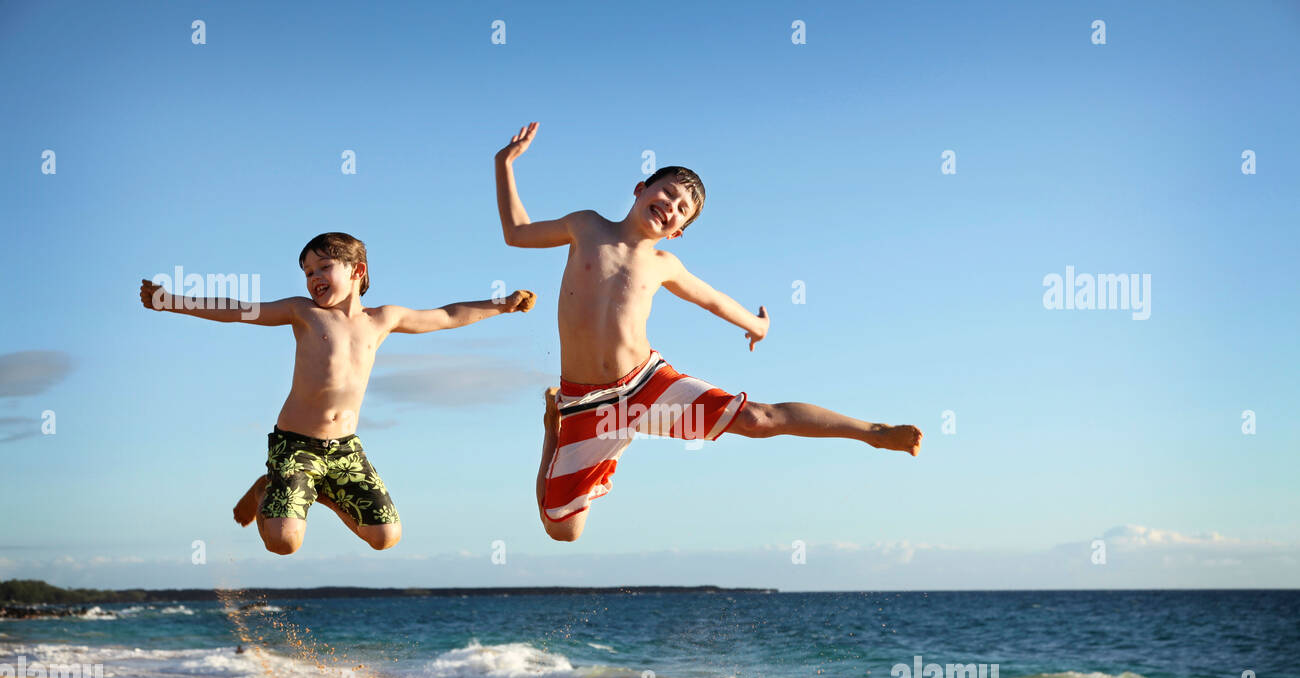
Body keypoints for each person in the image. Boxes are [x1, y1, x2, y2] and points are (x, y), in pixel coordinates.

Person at [493, 122, 920, 542]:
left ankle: (872, 433)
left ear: (677, 232)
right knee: (563, 530)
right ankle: (553, 426)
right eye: (668, 193)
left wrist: (757, 325)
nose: (671, 206)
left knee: (757, 419)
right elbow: (516, 233)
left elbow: (712, 299)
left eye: (682, 210)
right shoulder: (585, 225)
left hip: (648, 387)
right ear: (640, 189)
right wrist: (504, 164)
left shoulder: (665, 264)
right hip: (588, 405)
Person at [139, 232, 535, 554]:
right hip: (295, 446)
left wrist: (501, 304)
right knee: (283, 542)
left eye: (322, 267)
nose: (313, 278)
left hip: (345, 448)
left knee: (385, 537)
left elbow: (448, 316)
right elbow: (238, 308)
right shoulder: (303, 312)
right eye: (308, 272)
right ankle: (270, 486)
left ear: (357, 270)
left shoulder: (383, 319)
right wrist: (171, 301)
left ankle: (319, 492)